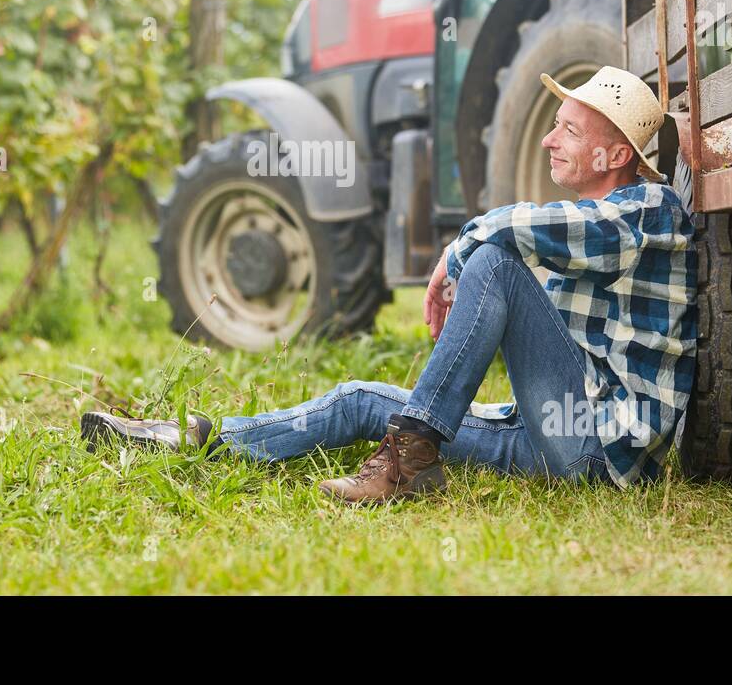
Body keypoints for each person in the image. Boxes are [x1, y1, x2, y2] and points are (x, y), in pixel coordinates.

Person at [82, 66, 697, 503]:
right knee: (358, 400)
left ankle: (409, 457)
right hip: (543, 437)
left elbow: (517, 230)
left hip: (595, 457)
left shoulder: (650, 212)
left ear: (614, 155)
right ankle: (189, 438)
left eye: (569, 130)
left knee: (493, 263)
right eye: (555, 124)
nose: (547, 138)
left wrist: (459, 250)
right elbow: (538, 237)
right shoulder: (597, 224)